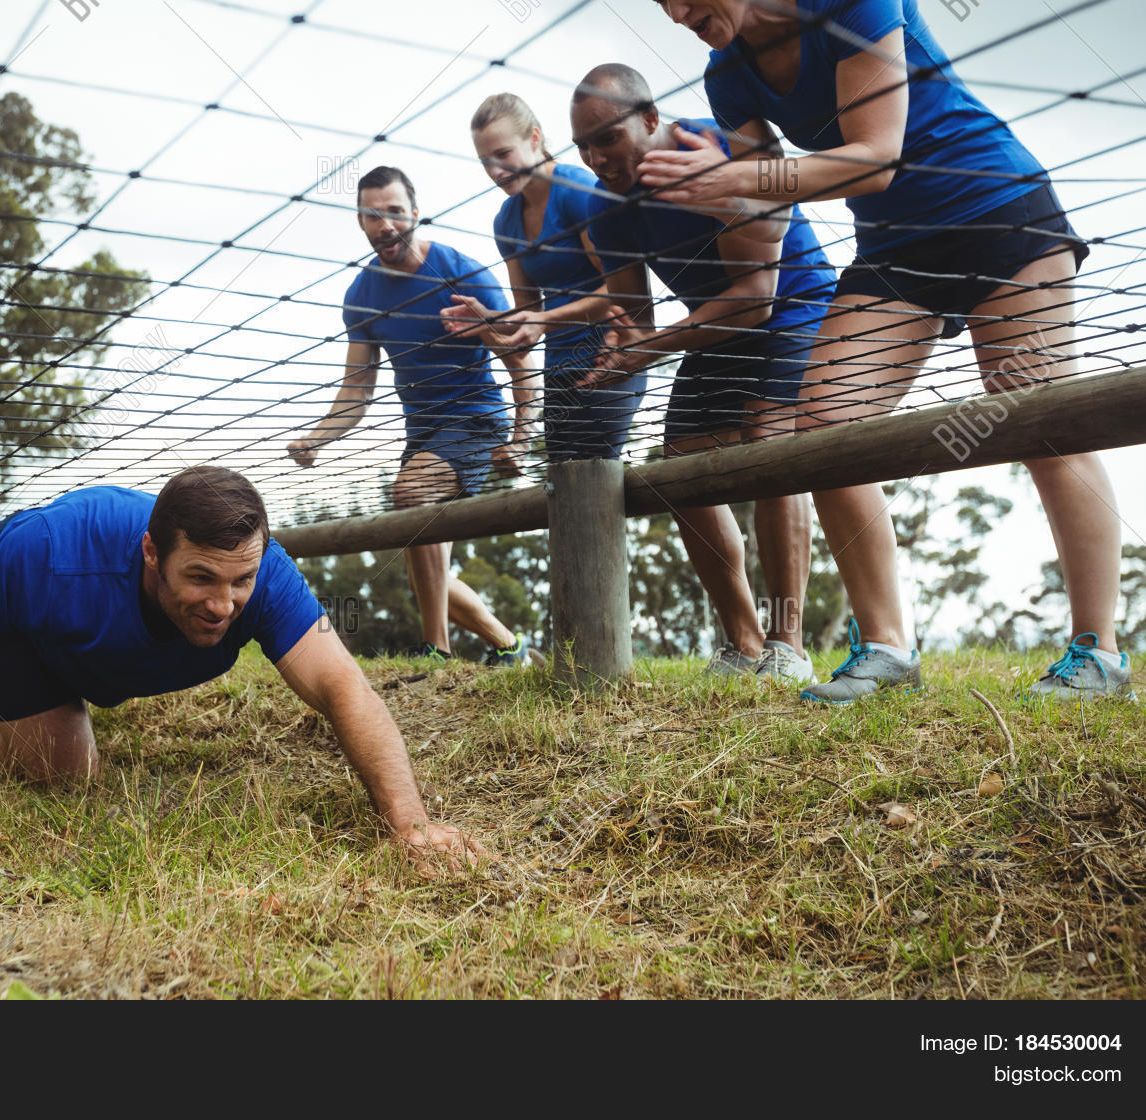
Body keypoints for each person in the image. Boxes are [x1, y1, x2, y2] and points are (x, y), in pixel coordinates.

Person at [646, 0, 1133, 703]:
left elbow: (875, 158)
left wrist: (745, 181)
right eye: (660, 1)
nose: (678, 11)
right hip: (895, 252)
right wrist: (713, 194)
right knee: (822, 429)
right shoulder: (727, 75)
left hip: (997, 207)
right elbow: (770, 204)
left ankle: (1100, 655)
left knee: (1041, 420)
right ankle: (886, 649)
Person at [0, 468, 487, 872]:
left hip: (109, 636)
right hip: (38, 623)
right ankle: (2, 695)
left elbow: (341, 684)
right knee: (61, 782)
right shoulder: (47, 556)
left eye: (239, 581)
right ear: (151, 553)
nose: (223, 604)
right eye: (200, 578)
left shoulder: (267, 577)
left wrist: (411, 825)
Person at [566, 63, 840, 684]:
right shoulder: (603, 207)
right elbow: (634, 316)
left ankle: (787, 642)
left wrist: (650, 347)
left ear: (651, 119)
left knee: (769, 447)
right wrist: (622, 349)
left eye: (607, 137)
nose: (596, 157)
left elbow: (756, 298)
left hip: (790, 306)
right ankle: (743, 642)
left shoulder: (715, 149)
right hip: (714, 322)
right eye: (583, 146)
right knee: (680, 469)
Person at [289, 165, 534, 666]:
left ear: (415, 214)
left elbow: (520, 360)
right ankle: (511, 648)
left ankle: (436, 653)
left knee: (410, 494)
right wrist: (317, 437)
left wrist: (522, 438)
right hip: (423, 433)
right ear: (360, 222)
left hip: (475, 420)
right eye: (372, 215)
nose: (385, 225)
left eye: (395, 212)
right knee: (425, 571)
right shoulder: (361, 297)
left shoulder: (463, 273)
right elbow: (356, 391)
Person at [443, 91, 644, 464]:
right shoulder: (505, 222)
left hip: (610, 354)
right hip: (560, 368)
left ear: (534, 139)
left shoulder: (574, 190)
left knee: (592, 475)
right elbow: (528, 312)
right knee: (562, 485)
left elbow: (622, 289)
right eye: (485, 161)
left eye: (503, 155)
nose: (495, 171)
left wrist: (544, 321)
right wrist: (489, 321)